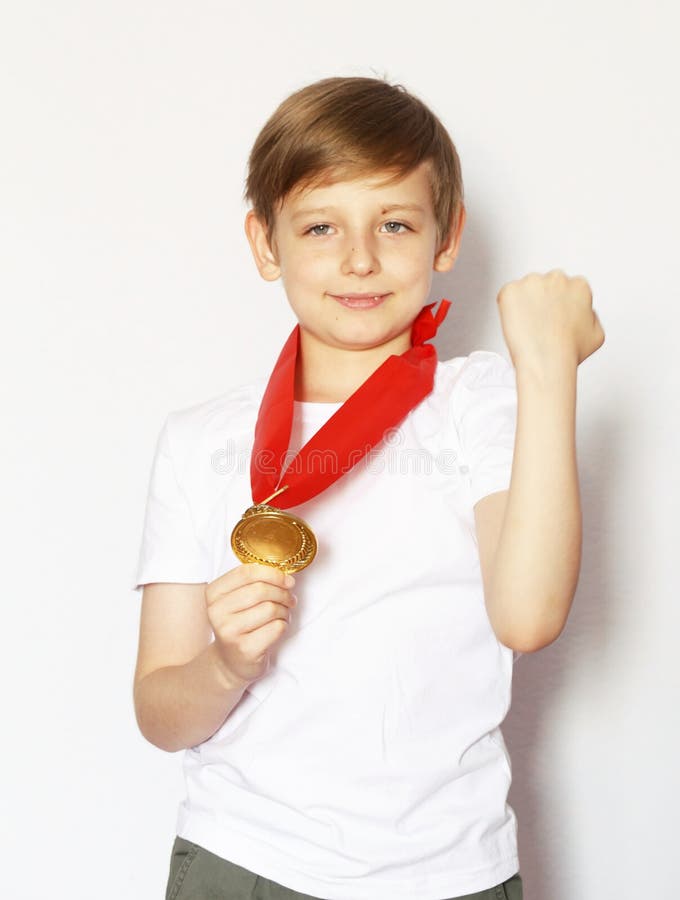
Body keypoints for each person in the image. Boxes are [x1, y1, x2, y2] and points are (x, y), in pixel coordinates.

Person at [131, 76, 604, 900]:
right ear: (264, 242)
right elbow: (159, 712)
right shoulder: (200, 439)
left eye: (394, 223)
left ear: (445, 237)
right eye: (320, 226)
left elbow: (528, 618)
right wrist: (226, 666)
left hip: (451, 869)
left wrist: (549, 367)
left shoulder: (480, 404)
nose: (359, 259)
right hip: (244, 859)